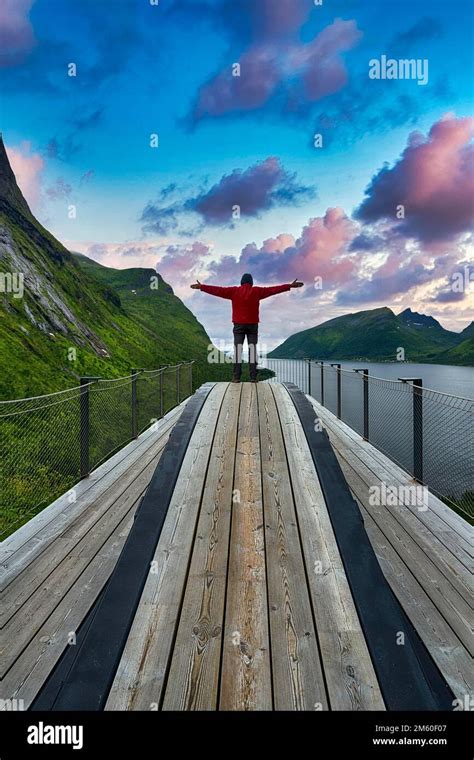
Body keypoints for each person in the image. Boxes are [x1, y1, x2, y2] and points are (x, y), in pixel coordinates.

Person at [190, 273, 303, 382]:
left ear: (241, 282)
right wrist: (289, 286)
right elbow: (273, 290)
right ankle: (253, 377)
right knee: (252, 351)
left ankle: (236, 377)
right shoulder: (257, 291)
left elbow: (218, 290)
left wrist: (202, 287)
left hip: (238, 326)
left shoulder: (234, 291)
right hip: (253, 326)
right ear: (251, 282)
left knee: (238, 351)